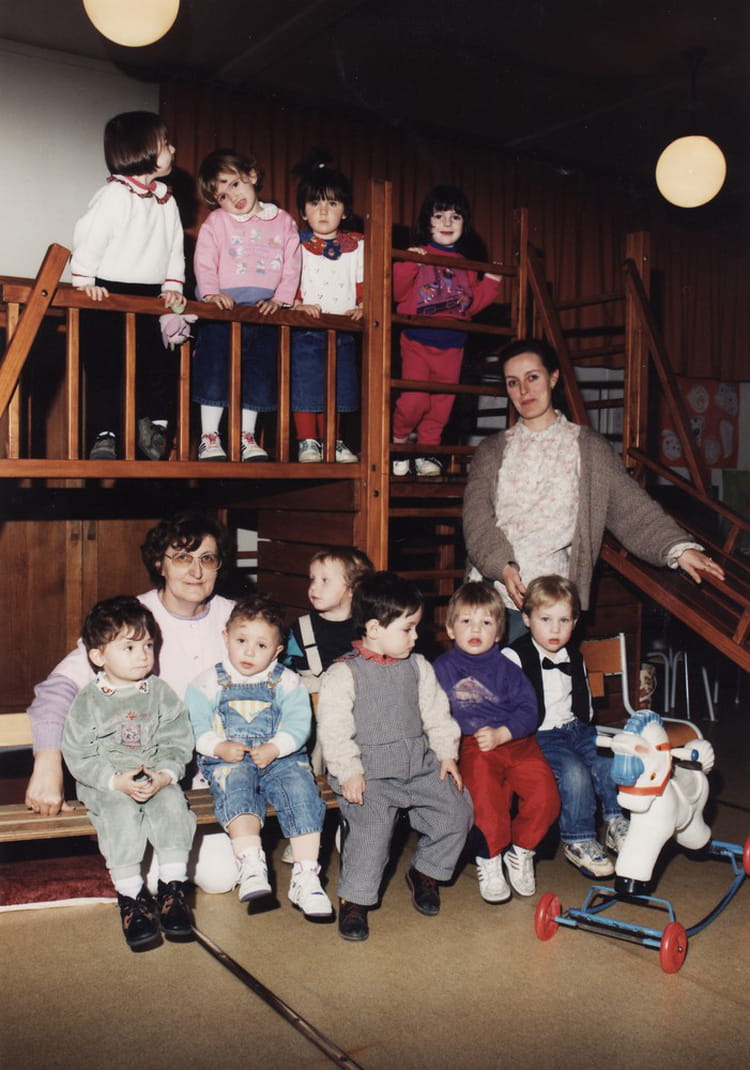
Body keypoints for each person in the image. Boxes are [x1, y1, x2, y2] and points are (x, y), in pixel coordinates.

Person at [24, 509, 240, 894]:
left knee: (221, 878)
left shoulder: (235, 618)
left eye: (207, 558)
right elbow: (57, 689)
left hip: (206, 778)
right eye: (182, 557)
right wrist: (48, 763)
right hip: (134, 781)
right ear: (160, 564)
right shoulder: (133, 620)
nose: (196, 571)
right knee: (151, 882)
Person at [463, 338, 726, 640]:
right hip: (492, 601)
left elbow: (631, 508)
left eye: (532, 377)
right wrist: (503, 567)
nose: (523, 390)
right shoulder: (491, 451)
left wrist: (679, 549)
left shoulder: (589, 448)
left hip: (553, 608)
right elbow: (476, 521)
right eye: (513, 382)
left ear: (553, 377)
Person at [317, 571, 473, 942]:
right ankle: (355, 899)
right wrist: (348, 772)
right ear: (374, 628)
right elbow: (334, 731)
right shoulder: (343, 673)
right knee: (372, 830)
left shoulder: (418, 666)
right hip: (367, 772)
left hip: (417, 763)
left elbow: (437, 714)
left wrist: (446, 754)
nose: (416, 637)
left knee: (457, 811)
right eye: (408, 629)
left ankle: (426, 871)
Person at [185, 595, 332, 919]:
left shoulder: (287, 681)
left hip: (281, 758)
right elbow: (194, 726)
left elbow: (299, 724)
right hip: (229, 758)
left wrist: (276, 747)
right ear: (226, 637)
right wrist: (218, 746)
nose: (249, 652)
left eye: (261, 645)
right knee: (236, 785)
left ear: (277, 651)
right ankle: (251, 861)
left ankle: (306, 875)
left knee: (302, 789)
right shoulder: (208, 682)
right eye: (241, 641)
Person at [62, 596, 195, 950]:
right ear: (98, 656)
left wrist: (165, 774)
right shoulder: (90, 699)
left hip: (154, 776)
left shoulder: (159, 692)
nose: (143, 655)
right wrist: (112, 780)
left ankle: (172, 888)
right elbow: (78, 751)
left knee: (172, 803)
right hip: (104, 782)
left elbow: (176, 738)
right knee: (119, 811)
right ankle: (131, 897)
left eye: (148, 645)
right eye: (130, 647)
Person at [433, 582, 559, 902]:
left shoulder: (508, 668)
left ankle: (521, 850)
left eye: (486, 622)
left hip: (517, 742)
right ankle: (489, 858)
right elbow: (432, 711)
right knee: (487, 797)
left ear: (499, 632)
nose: (476, 629)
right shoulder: (441, 669)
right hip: (473, 744)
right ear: (451, 628)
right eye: (466, 621)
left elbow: (530, 710)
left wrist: (505, 732)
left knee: (546, 795)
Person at [70, 110, 185, 461]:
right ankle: (104, 433)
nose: (173, 150)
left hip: (151, 296)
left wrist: (173, 285)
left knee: (158, 364)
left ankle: (155, 426)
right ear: (141, 149)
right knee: (105, 367)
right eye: (165, 144)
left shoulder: (167, 199)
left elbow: (174, 247)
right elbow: (90, 237)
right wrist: (85, 282)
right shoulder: (114, 195)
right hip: (108, 293)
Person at [503, 575, 628, 878]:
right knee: (574, 772)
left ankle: (616, 821)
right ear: (527, 619)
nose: (555, 629)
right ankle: (579, 837)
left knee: (607, 760)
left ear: (575, 622)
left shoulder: (574, 654)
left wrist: (588, 728)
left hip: (576, 728)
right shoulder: (513, 657)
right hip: (541, 735)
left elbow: (582, 698)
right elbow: (505, 706)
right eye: (546, 619)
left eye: (564, 620)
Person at [192, 148, 301, 462]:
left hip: (263, 312)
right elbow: (204, 261)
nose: (232, 197)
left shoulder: (282, 221)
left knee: (258, 372)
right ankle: (210, 436)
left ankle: (246, 436)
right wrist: (211, 294)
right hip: (222, 311)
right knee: (214, 368)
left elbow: (292, 263)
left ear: (251, 175)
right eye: (222, 196)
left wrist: (281, 299)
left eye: (235, 184)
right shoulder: (217, 222)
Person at [391, 185, 501, 477]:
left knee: (441, 406)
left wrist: (491, 283)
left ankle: (427, 452)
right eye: (439, 216)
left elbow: (470, 306)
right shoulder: (419, 254)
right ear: (427, 222)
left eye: (455, 217)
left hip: (453, 347)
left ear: (465, 223)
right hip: (418, 341)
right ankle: (398, 443)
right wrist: (409, 263)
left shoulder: (467, 265)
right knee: (415, 400)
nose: (447, 223)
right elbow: (397, 292)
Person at [291, 152, 363, 464]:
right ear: (303, 211)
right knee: (306, 382)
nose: (323, 210)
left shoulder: (357, 245)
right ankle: (308, 440)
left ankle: (334, 439)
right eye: (315, 203)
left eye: (332, 203)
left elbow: (363, 281)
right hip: (307, 327)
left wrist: (364, 305)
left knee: (339, 385)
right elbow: (289, 278)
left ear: (344, 211)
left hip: (342, 328)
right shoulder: (296, 243)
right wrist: (295, 303)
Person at [286, 547, 375, 693]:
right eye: (312, 579)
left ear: (353, 589)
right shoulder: (299, 630)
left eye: (325, 580)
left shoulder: (369, 629)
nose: (314, 587)